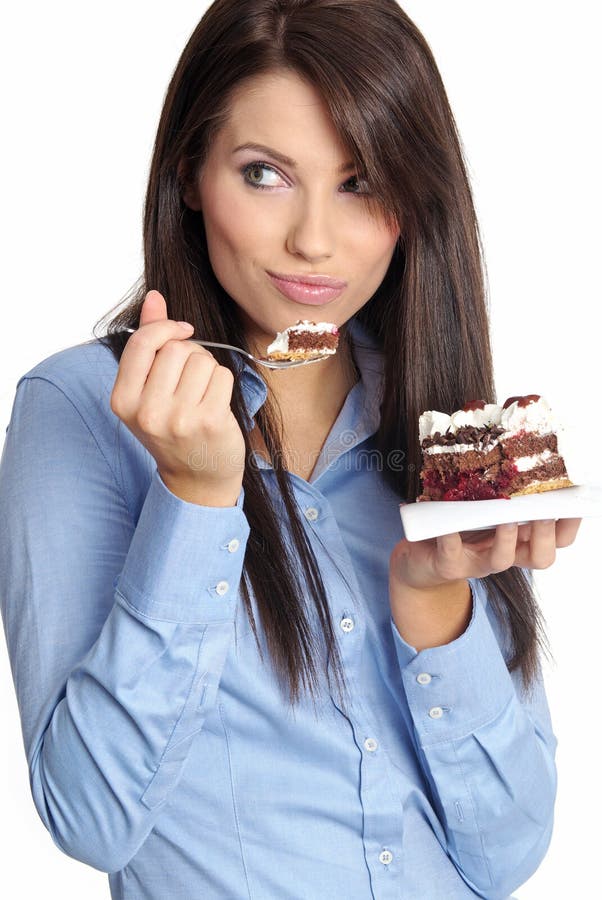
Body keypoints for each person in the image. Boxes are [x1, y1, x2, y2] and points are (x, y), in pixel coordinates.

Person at [0, 1, 582, 897]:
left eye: (361, 183)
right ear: (190, 172)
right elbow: (90, 818)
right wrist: (196, 498)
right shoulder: (80, 411)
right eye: (265, 173)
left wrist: (433, 601)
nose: (314, 239)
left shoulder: (441, 432)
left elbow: (505, 854)